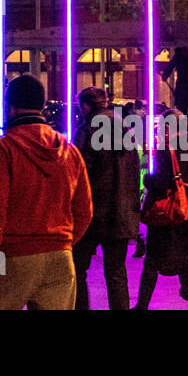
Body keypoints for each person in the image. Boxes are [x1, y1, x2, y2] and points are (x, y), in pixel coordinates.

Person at [0, 75, 93, 310]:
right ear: (43, 105)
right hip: (60, 256)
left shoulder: (2, 148)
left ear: (10, 106)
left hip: (11, 256)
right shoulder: (69, 150)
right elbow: (85, 210)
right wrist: (64, 242)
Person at [135, 106, 188, 309]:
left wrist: (147, 179)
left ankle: (141, 306)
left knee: (152, 262)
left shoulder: (166, 148)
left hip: (169, 215)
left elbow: (162, 182)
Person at [71, 87, 140, 309]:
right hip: (120, 213)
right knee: (117, 273)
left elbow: (78, 171)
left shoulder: (87, 129)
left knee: (78, 269)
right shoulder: (125, 128)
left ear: (85, 106)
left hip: (92, 213)